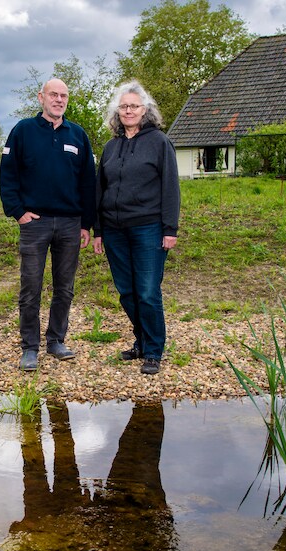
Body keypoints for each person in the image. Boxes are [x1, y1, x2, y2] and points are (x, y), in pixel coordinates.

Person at [0, 78, 97, 371]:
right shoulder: (23, 131)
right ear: (41, 97)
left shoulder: (77, 135)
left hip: (70, 224)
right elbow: (8, 174)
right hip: (35, 223)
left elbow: (88, 182)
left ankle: (56, 340)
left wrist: (86, 223)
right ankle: (29, 347)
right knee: (31, 287)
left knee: (64, 288)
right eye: (53, 94)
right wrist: (17, 211)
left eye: (63, 95)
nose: (59, 100)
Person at [93, 80, 180, 375]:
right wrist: (98, 230)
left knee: (147, 292)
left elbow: (171, 188)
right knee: (127, 292)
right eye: (124, 106)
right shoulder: (111, 147)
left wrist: (170, 229)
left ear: (145, 110)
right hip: (115, 231)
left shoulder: (159, 143)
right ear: (117, 112)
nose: (128, 111)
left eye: (134, 106)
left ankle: (154, 350)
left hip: (148, 228)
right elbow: (100, 189)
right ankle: (141, 341)